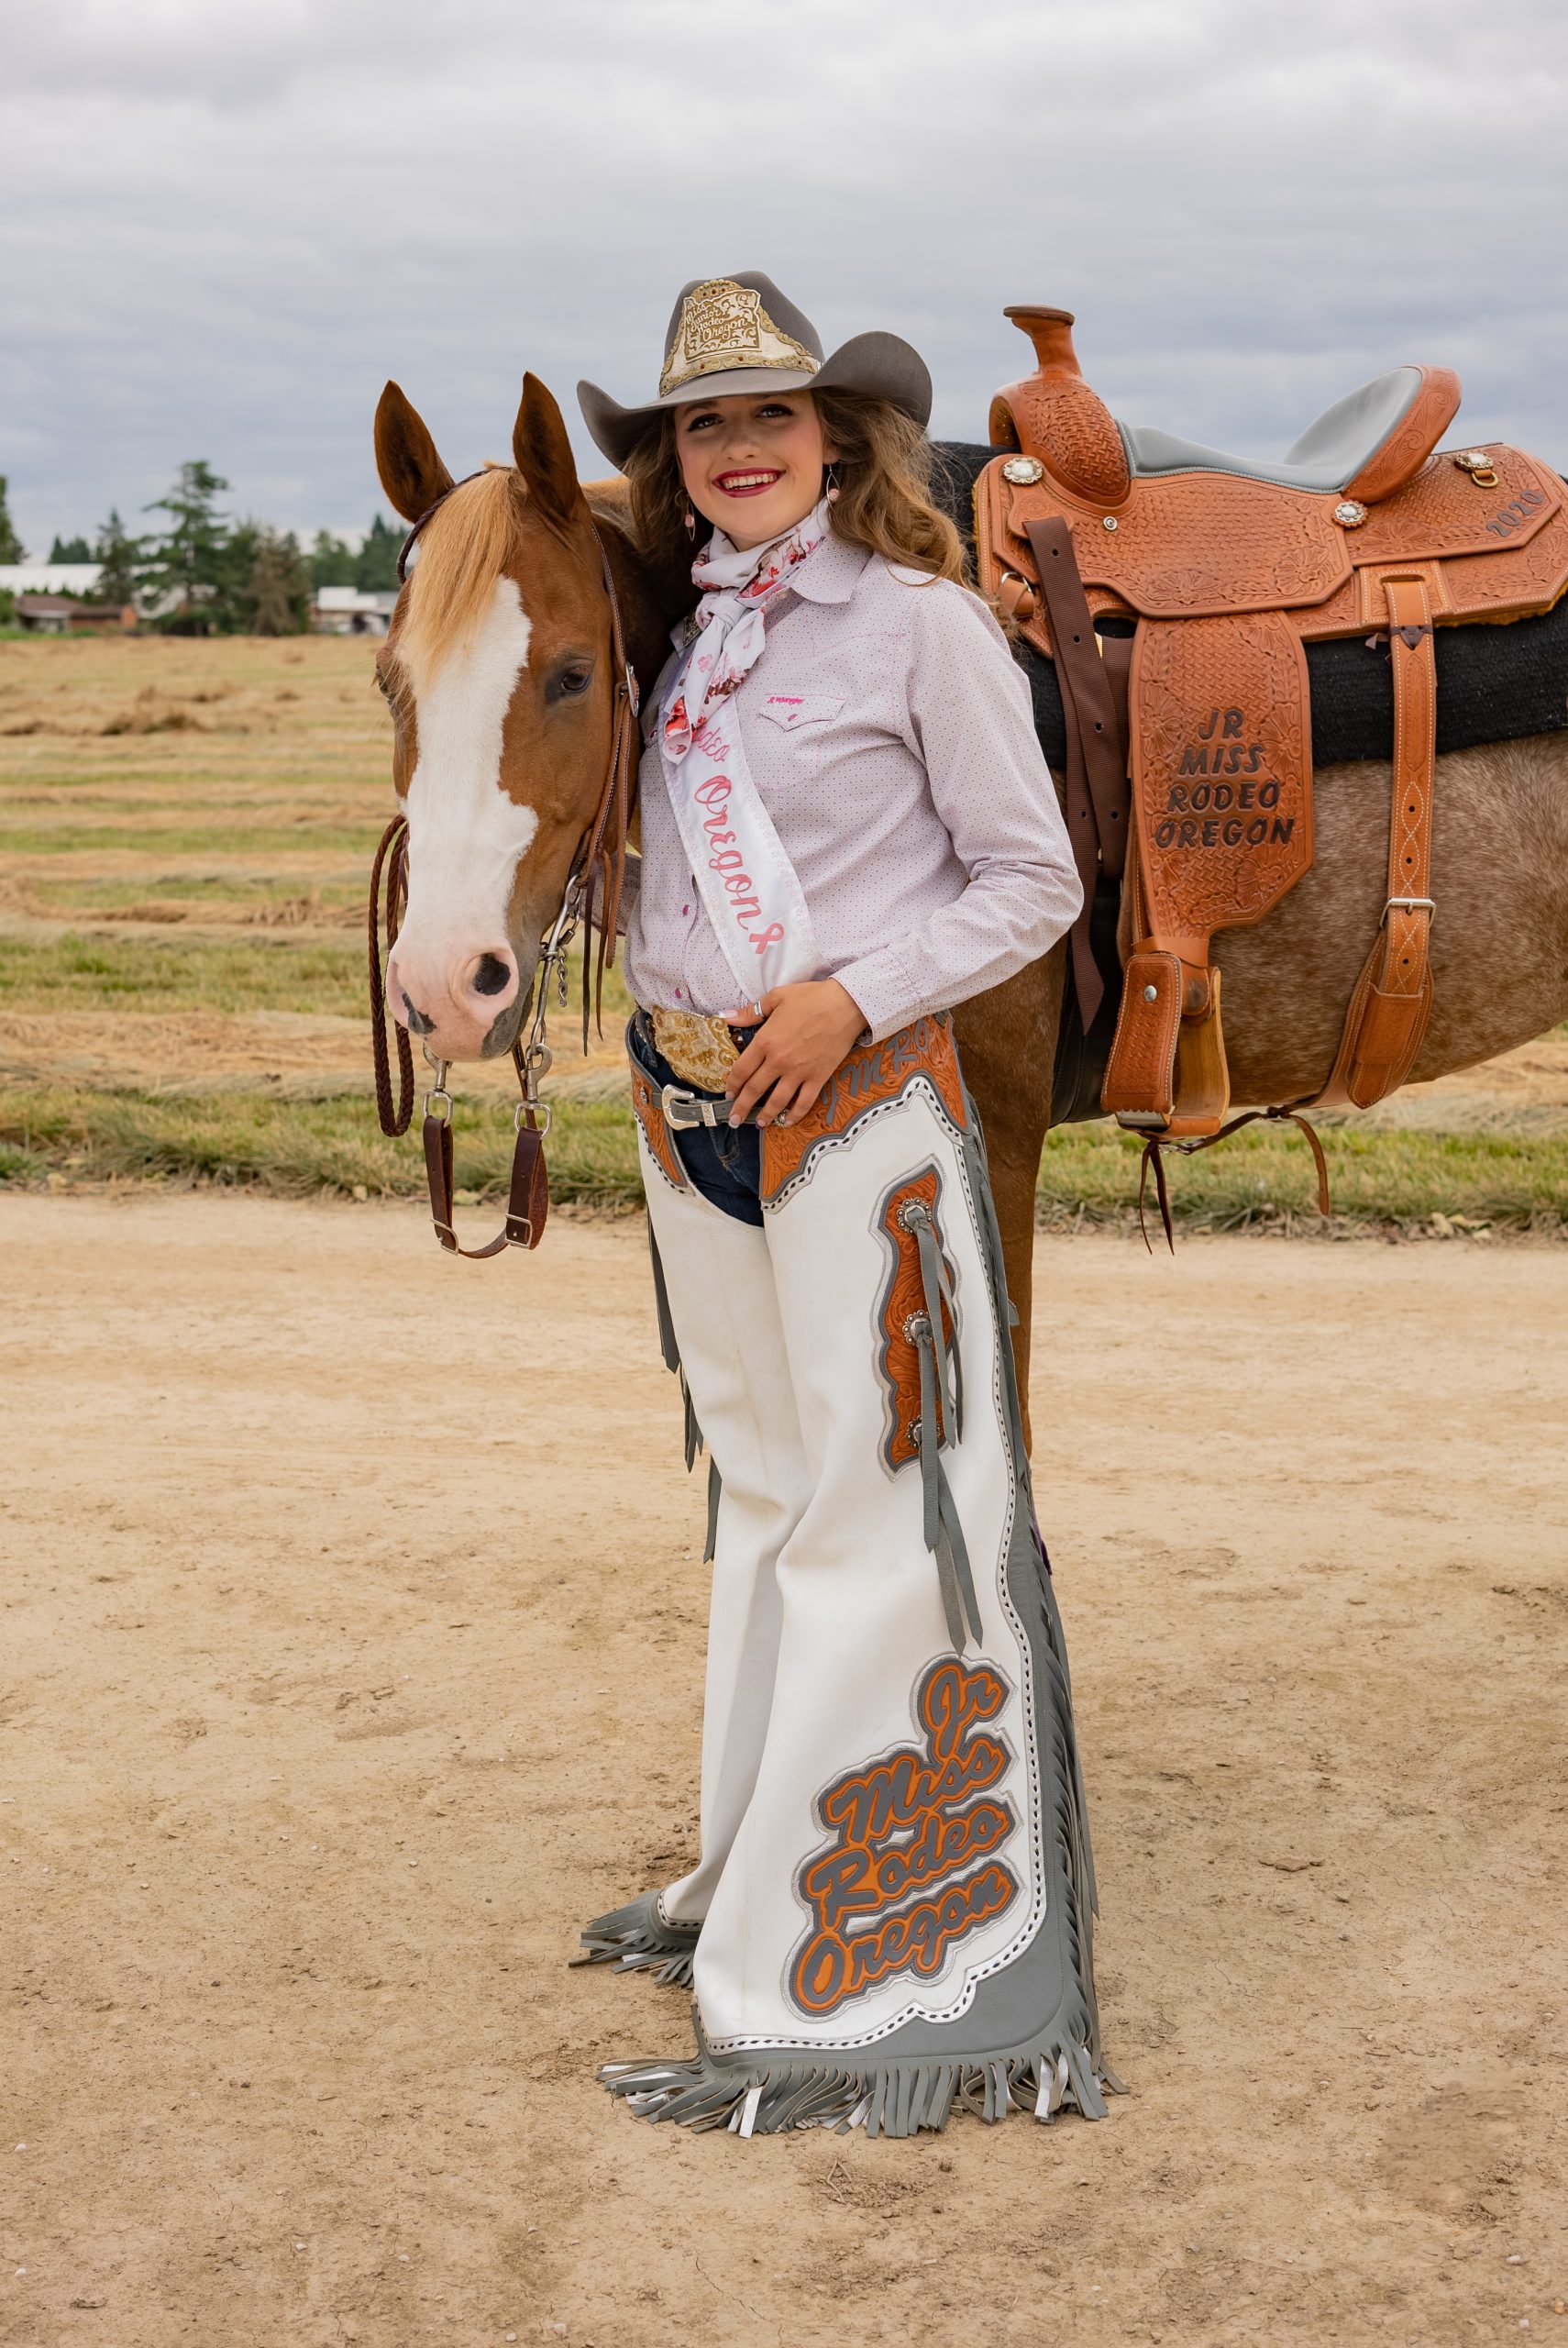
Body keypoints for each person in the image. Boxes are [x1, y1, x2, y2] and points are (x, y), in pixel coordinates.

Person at [572, 273, 1118, 2136]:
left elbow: (1028, 878)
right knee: (764, 1501)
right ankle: (749, 1865)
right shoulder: (676, 641)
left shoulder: (921, 628)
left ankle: (875, 1960)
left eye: (767, 419)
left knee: (887, 1519)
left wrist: (850, 994)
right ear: (672, 461)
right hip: (691, 1110)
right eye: (698, 427)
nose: (733, 450)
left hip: (861, 1103)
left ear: (838, 437)